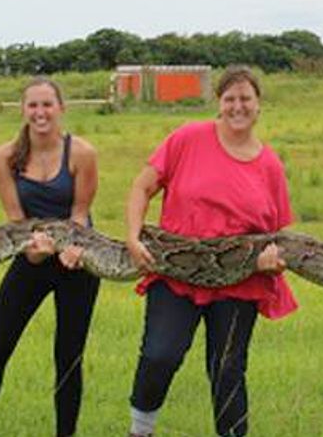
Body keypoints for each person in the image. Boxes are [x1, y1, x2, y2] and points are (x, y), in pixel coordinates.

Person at [123, 65, 296, 437]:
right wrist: (133, 237)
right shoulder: (188, 138)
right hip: (176, 272)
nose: (238, 106)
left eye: (245, 99)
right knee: (160, 354)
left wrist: (272, 260)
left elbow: (280, 236)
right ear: (219, 103)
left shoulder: (270, 165)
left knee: (228, 367)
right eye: (230, 99)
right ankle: (140, 429)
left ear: (258, 105)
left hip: (241, 280)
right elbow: (142, 187)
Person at [0, 77, 100, 437]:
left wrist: (71, 251)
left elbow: (80, 215)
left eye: (47, 105)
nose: (40, 113)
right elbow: (15, 219)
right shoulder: (5, 157)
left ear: (61, 109)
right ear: (24, 110)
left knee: (68, 358)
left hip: (76, 259)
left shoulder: (82, 153)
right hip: (30, 255)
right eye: (33, 106)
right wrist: (36, 253)